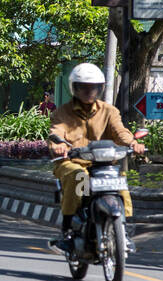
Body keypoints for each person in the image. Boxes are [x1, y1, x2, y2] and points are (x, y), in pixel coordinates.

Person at [48, 62, 146, 254]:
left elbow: (120, 132)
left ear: (100, 88)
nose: (89, 91)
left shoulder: (109, 111)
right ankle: (67, 234)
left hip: (104, 164)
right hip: (74, 163)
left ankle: (123, 232)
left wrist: (132, 143)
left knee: (121, 187)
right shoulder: (62, 113)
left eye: (93, 87)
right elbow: (56, 132)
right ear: (74, 88)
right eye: (84, 87)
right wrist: (58, 145)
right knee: (79, 178)